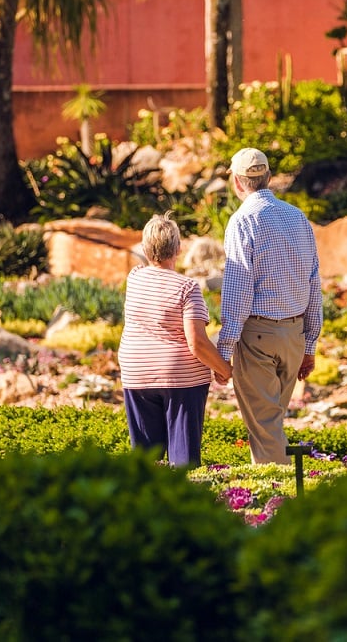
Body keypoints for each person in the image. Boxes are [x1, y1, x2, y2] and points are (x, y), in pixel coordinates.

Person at [217, 147, 322, 464]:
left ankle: (276, 501)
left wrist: (223, 351)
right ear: (269, 178)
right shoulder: (297, 217)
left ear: (237, 182)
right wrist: (310, 343)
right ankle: (273, 496)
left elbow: (238, 289)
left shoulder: (242, 221)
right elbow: (314, 282)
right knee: (271, 425)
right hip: (294, 337)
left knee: (264, 429)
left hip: (258, 336)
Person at [118, 212, 232, 467]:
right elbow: (197, 343)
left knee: (145, 461)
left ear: (146, 250)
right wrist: (225, 369)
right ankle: (183, 502)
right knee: (183, 461)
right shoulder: (187, 287)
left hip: (136, 375)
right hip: (180, 379)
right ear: (178, 248)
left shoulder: (135, 277)